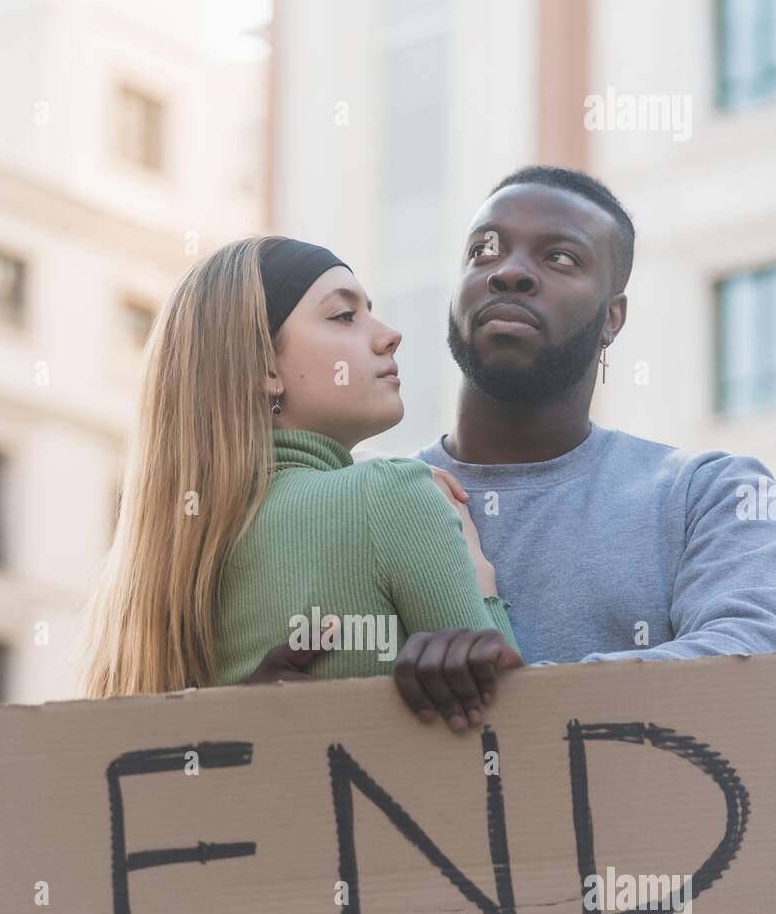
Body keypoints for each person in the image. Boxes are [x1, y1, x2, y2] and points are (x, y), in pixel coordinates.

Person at [76, 237, 523, 729]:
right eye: (343, 316)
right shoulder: (393, 496)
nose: (390, 335)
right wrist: (480, 579)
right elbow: (517, 736)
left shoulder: (148, 577)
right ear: (265, 366)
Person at [419, 165, 776, 664]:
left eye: (559, 257)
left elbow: (747, 660)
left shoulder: (709, 496)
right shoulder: (370, 499)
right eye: (484, 250)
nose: (508, 271)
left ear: (613, 317)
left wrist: (502, 696)